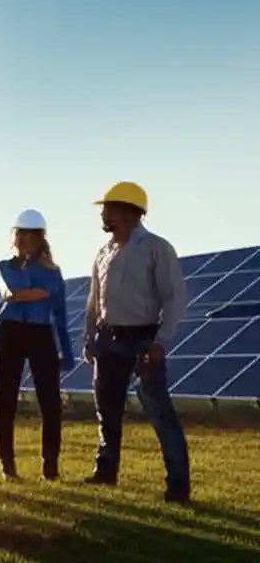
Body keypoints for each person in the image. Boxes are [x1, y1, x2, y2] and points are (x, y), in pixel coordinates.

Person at [85, 182, 190, 503]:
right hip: (107, 341)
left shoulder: (157, 248)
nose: (103, 214)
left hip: (143, 341)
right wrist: (89, 338)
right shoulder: (103, 252)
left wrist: (160, 342)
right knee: (107, 411)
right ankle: (105, 472)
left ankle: (178, 485)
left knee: (160, 413)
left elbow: (174, 298)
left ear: (129, 211)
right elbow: (93, 300)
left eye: (108, 208)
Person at [0, 208, 74, 481]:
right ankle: (7, 467)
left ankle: (50, 466)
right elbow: (16, 289)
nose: (25, 239)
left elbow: (59, 313)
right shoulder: (5, 266)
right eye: (20, 233)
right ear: (13, 236)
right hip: (10, 334)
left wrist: (67, 352)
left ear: (40, 238)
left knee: (50, 402)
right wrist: (32, 292)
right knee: (5, 400)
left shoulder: (53, 272)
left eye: (31, 234)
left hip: (41, 334)